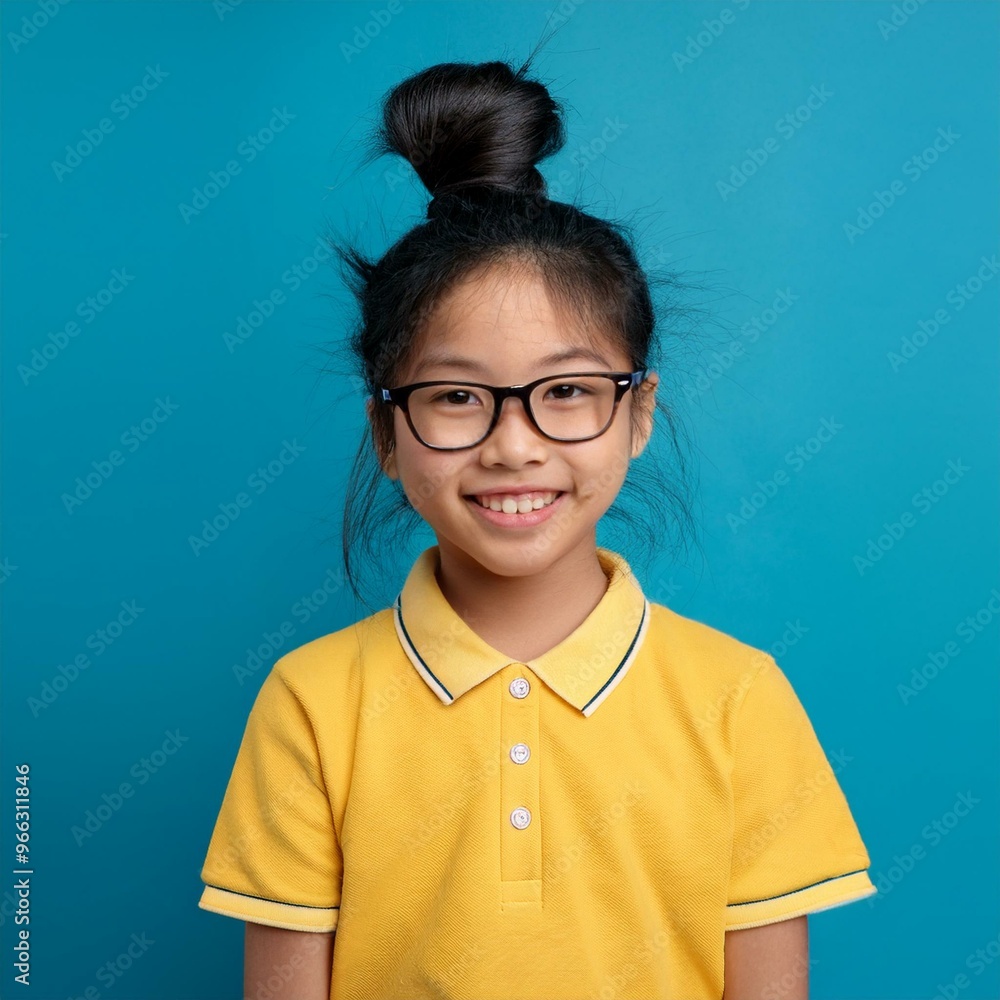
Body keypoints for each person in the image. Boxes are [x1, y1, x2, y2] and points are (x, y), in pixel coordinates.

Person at [197, 51, 876, 1000]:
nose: (513, 445)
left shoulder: (738, 700)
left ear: (639, 414)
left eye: (565, 391)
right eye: (455, 396)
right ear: (386, 432)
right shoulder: (311, 704)